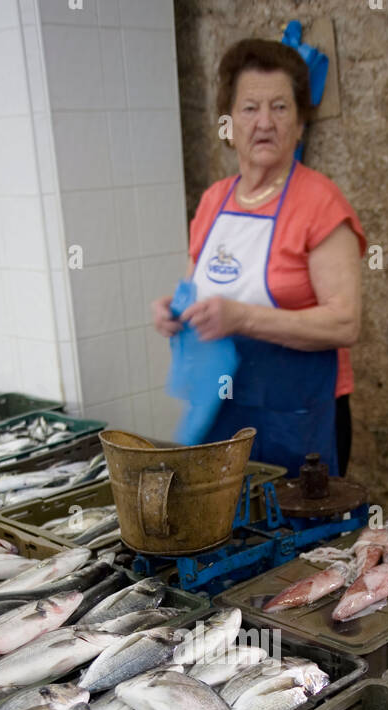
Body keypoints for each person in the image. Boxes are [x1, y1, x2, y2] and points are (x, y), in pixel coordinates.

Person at [152, 39, 365, 477]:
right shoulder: (215, 200)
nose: (264, 122)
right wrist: (175, 312)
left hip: (297, 421)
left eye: (281, 108)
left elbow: (346, 322)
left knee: (296, 538)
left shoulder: (320, 203)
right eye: (250, 108)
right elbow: (201, 289)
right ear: (228, 124)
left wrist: (243, 319)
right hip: (223, 413)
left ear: (300, 123)